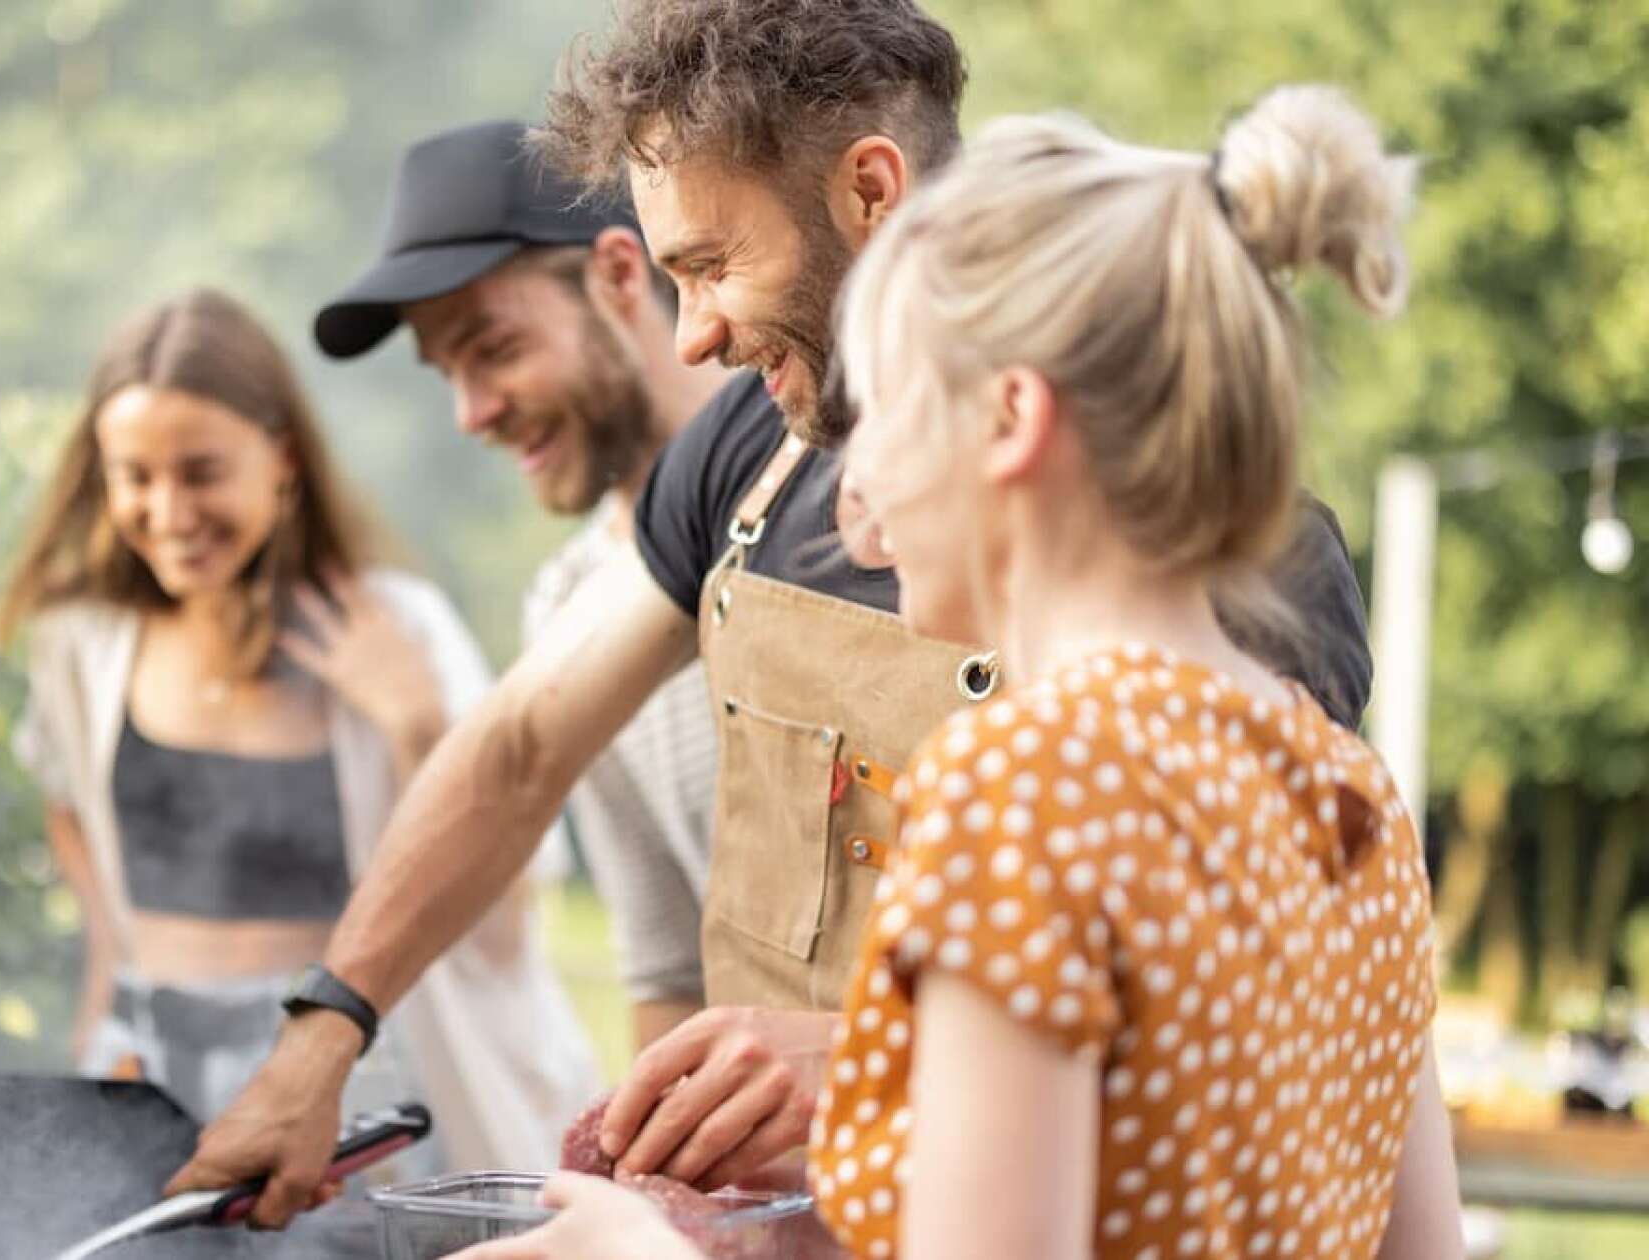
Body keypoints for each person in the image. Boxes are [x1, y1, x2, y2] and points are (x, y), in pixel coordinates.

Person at [166, 0, 1374, 1226]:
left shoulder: (1233, 583)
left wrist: (863, 1070)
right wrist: (320, 1040)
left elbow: (1243, 1057)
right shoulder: (745, 450)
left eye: (707, 265)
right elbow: (521, 749)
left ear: (869, 190)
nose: (689, 339)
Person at [445, 84, 1465, 1260]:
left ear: (1009, 422)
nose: (854, 494)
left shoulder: (1020, 789)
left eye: (881, 412)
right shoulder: (1345, 795)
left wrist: (635, 1252)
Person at [0, 288, 595, 1171]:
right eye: (135, 476)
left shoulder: (399, 626)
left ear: (281, 458)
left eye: (200, 472)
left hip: (340, 1078)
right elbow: (70, 809)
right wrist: (102, 983)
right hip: (141, 1069)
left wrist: (418, 722)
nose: (169, 511)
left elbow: (508, 906)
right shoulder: (84, 644)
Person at [313, 119, 731, 1049]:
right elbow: (668, 970)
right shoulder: (564, 604)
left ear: (621, 276)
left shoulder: (827, 496)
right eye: (447, 373)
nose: (471, 413)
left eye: (493, 348)